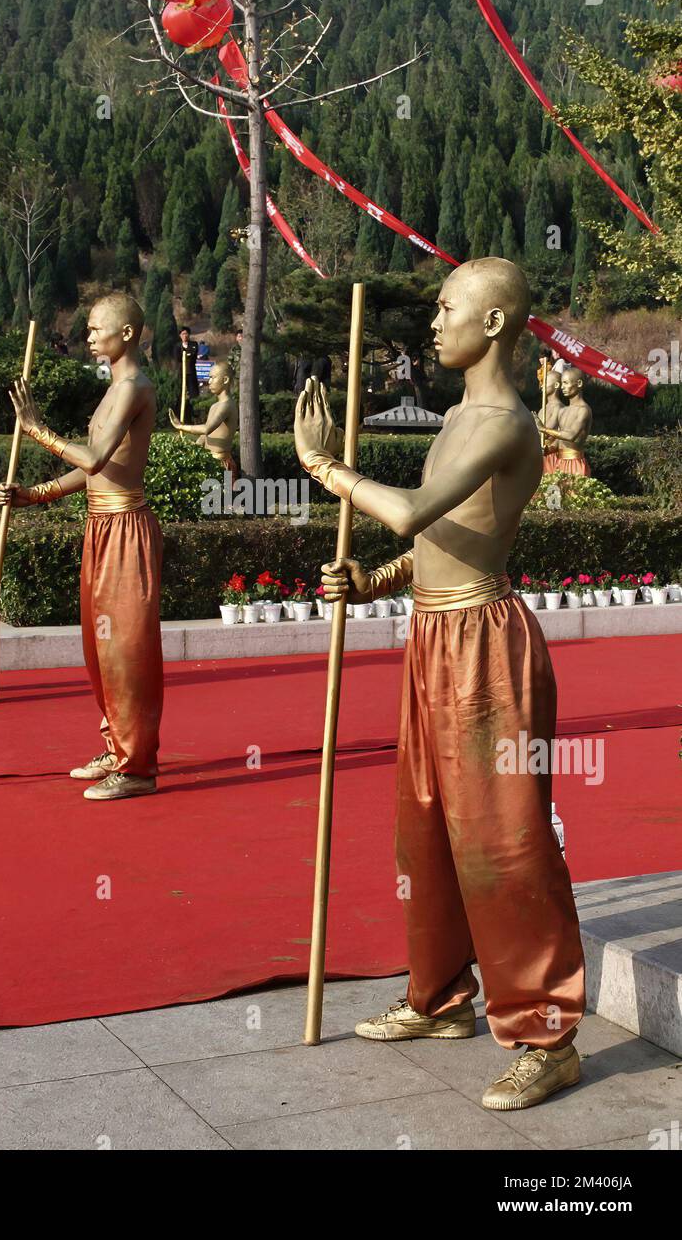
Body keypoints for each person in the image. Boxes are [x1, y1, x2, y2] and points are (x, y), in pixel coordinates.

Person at [295, 257, 585, 1112]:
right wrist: (374, 581)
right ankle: (439, 996)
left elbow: (414, 513)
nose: (434, 322)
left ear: (492, 323)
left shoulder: (503, 422)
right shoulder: (456, 413)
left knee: (503, 841)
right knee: (422, 831)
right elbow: (437, 539)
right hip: (431, 632)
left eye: (447, 308)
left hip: (486, 649)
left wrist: (320, 465)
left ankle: (547, 1036)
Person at [0, 292, 163, 802]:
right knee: (98, 647)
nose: (88, 336)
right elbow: (93, 472)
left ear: (127, 333)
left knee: (127, 650)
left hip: (126, 529)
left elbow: (93, 459)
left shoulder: (134, 386)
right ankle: (116, 745)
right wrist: (34, 495)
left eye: (96, 328)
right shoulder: (112, 388)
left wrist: (38, 430)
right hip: (100, 526)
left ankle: (137, 766)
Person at [169, 360, 239, 481]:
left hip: (221, 463)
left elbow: (207, 429)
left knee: (222, 499)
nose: (209, 381)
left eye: (213, 377)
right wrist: (189, 446)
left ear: (225, 380)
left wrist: (181, 426)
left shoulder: (227, 406)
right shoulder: (214, 406)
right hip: (209, 462)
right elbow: (205, 436)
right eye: (209, 378)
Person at [537, 366, 592, 476]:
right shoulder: (563, 411)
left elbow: (570, 436)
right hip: (559, 463)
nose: (563, 387)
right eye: (562, 383)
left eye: (566, 383)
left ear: (579, 383)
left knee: (573, 493)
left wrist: (543, 429)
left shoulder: (584, 410)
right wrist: (548, 450)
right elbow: (559, 441)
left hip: (575, 463)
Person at [173, 326, 200, 423]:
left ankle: (195, 417)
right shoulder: (177, 346)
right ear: (180, 336)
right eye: (183, 334)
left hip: (191, 373)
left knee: (193, 394)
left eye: (186, 334)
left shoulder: (194, 344)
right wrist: (186, 354)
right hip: (181, 374)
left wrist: (187, 354)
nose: (185, 336)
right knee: (181, 395)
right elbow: (178, 358)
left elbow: (193, 355)